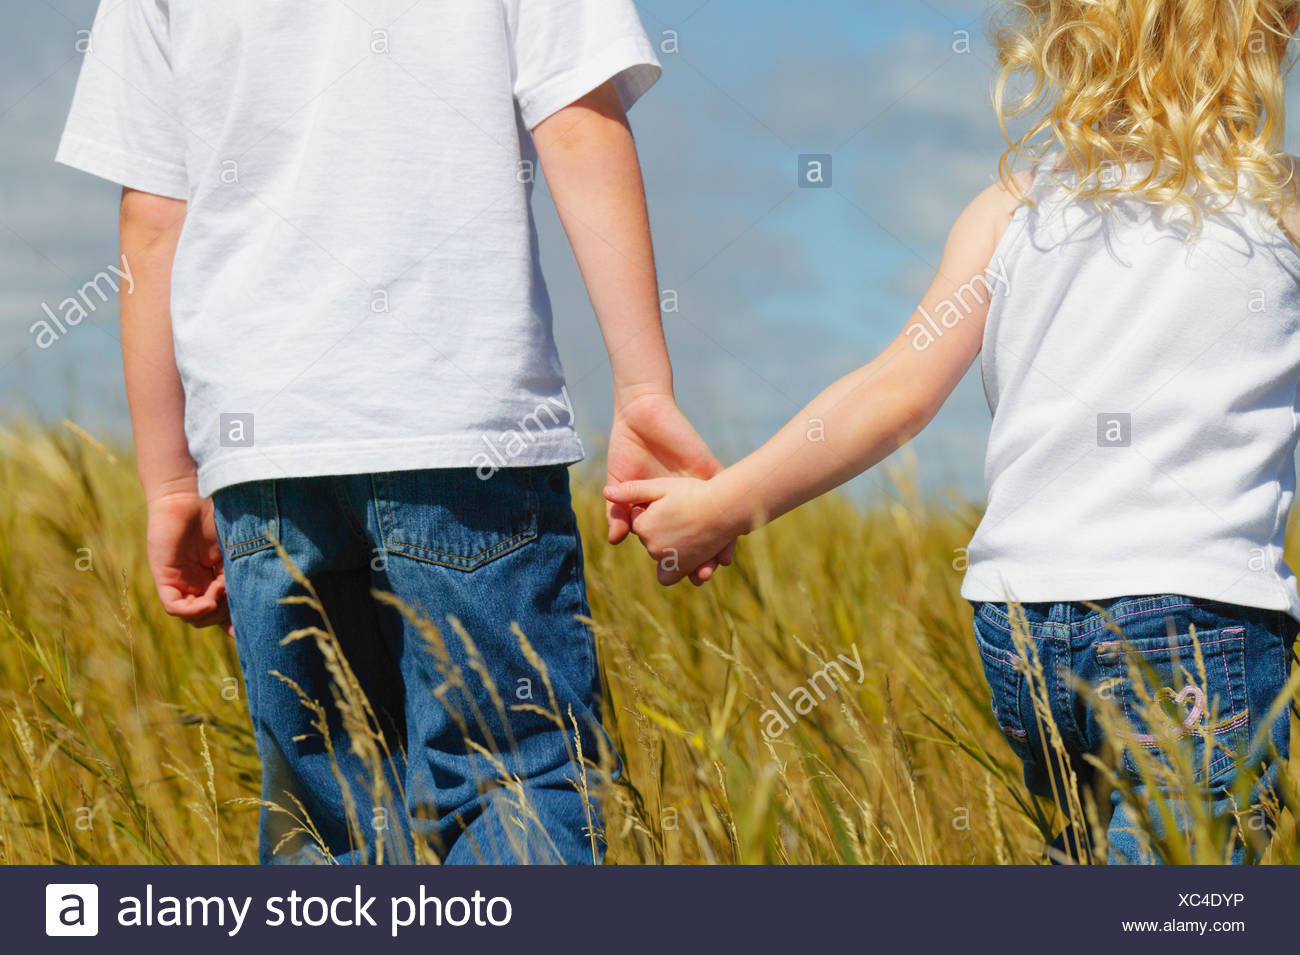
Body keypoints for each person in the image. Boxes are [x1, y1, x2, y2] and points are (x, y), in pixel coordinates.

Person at [607, 0, 1300, 863]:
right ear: (1266, 35)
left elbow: (894, 392)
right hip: (1196, 627)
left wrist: (724, 502)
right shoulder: (1282, 204)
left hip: (1022, 628)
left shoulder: (1015, 206)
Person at [57, 0, 732, 865]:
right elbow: (577, 123)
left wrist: (172, 483)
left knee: (330, 817)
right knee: (512, 781)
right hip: (467, 435)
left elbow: (152, 221)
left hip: (267, 453)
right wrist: (641, 389)